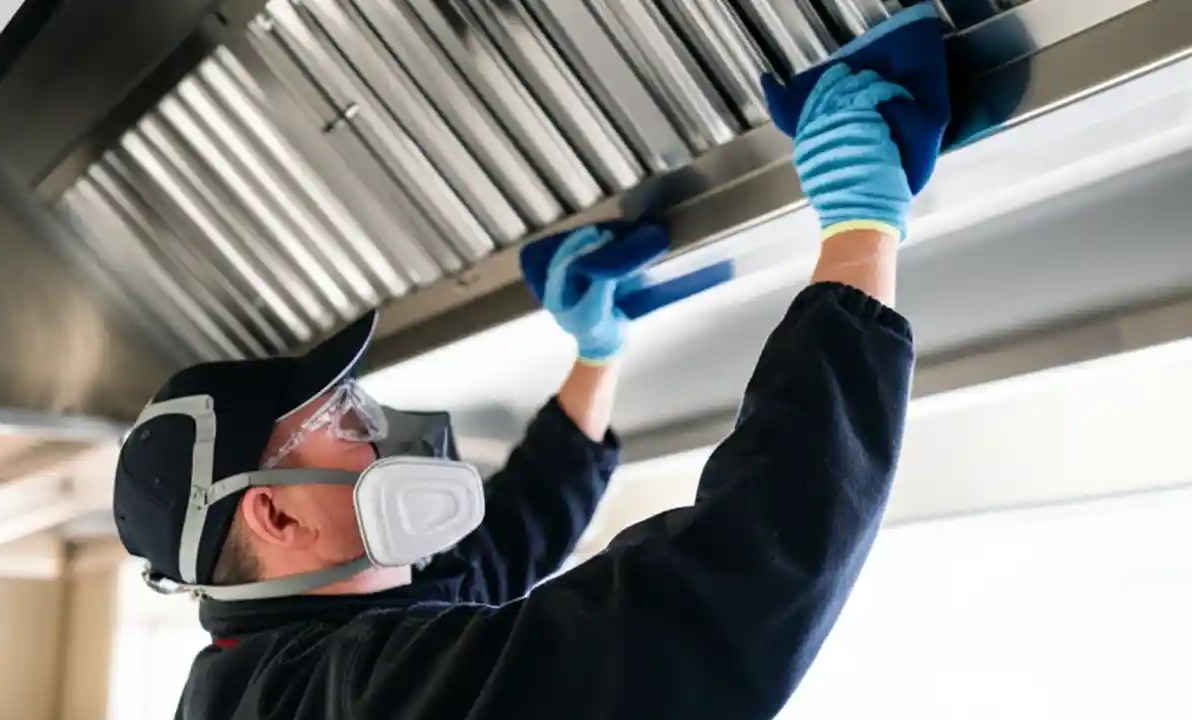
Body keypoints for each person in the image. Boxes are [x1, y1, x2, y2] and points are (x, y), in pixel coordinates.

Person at [113, 64, 927, 719]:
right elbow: (707, 608)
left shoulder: (291, 658)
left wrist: (595, 355)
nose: (377, 431)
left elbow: (494, 556)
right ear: (277, 512)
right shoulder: (344, 698)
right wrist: (860, 231)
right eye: (344, 417)